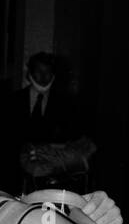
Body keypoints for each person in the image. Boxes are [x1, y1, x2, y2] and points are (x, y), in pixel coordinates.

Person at [10, 52, 95, 194]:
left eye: (48, 72)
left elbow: (73, 136)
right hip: (18, 177)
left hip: (52, 178)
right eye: (39, 71)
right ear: (30, 72)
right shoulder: (14, 101)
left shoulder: (66, 103)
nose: (43, 77)